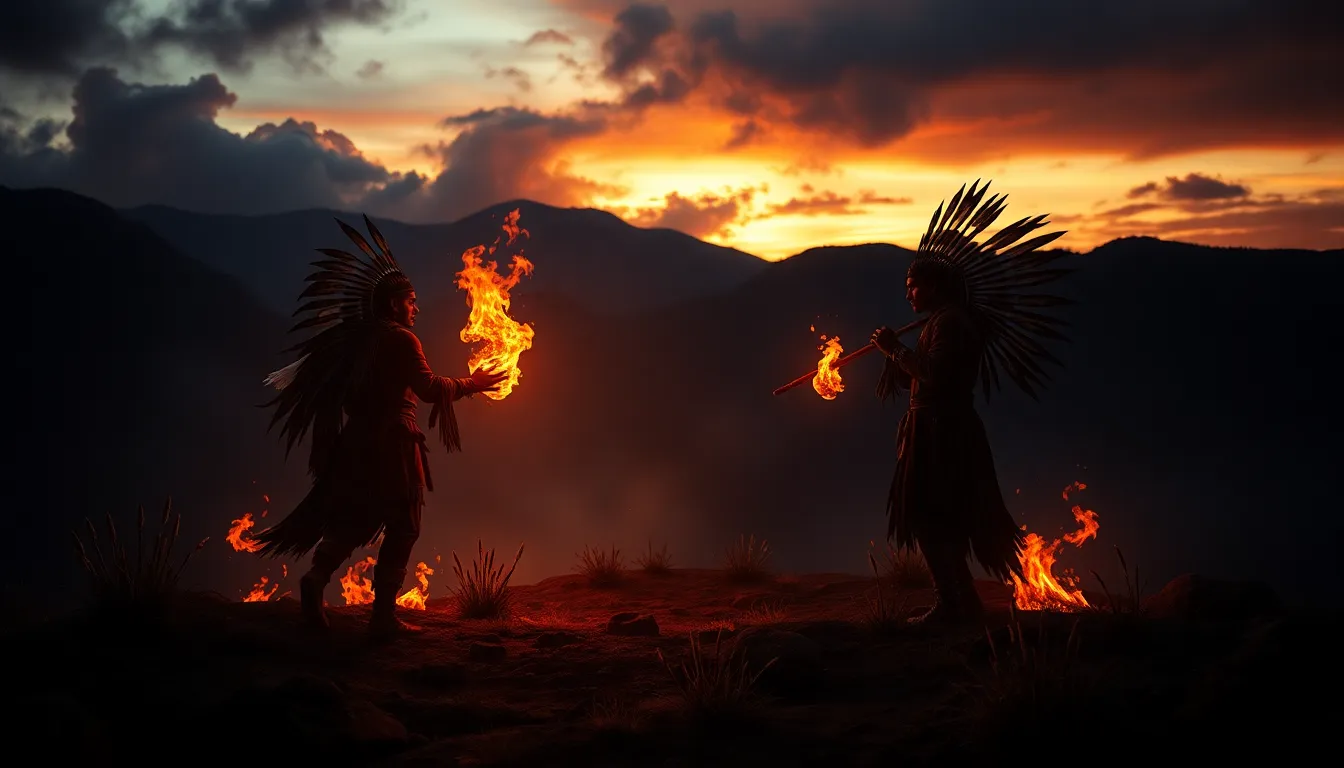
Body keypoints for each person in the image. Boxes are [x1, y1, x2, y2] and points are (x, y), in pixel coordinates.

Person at [252, 215, 507, 640]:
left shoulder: (359, 340)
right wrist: (471, 384)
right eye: (411, 301)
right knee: (404, 523)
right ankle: (384, 616)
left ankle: (316, 578)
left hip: (356, 443)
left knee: (357, 515)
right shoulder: (401, 339)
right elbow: (427, 390)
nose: (416, 308)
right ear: (393, 304)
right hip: (392, 443)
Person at [868, 180, 1072, 626]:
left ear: (936, 286)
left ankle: (956, 606)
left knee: (935, 515)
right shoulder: (939, 323)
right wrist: (896, 358)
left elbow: (936, 375)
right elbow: (919, 377)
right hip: (932, 429)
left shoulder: (953, 325)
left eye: (913, 286)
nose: (908, 295)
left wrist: (893, 352)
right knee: (931, 515)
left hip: (945, 433)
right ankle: (955, 603)